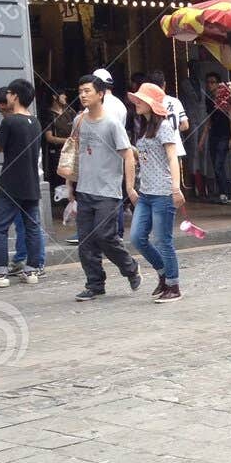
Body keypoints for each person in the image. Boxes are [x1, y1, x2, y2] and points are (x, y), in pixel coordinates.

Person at [67, 74, 140, 302]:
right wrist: (70, 186)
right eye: (80, 91)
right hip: (85, 189)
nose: (83, 95)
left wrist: (129, 187)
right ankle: (95, 283)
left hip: (108, 190)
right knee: (86, 241)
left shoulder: (112, 123)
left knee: (104, 236)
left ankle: (130, 267)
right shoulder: (78, 120)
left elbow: (128, 156)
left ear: (100, 94)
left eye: (87, 91)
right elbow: (73, 154)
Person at [0, 78, 45, 288]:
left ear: (14, 96)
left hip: (11, 183)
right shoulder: (35, 121)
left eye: (9, 93)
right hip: (31, 182)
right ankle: (32, 270)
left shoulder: (11, 121)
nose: (6, 96)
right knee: (32, 227)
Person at [126, 81, 185, 303]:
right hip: (146, 192)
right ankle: (163, 274)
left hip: (162, 192)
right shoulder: (143, 127)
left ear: (151, 103)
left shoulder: (164, 127)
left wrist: (176, 188)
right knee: (137, 238)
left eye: (141, 100)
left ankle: (173, 285)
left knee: (163, 240)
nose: (137, 103)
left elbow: (173, 157)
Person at [200, 72, 231, 202]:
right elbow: (209, 119)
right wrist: (202, 138)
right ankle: (222, 192)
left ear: (219, 84)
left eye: (213, 82)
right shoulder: (208, 99)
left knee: (219, 164)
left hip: (225, 134)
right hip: (214, 134)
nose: (210, 85)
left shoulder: (226, 98)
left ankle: (226, 193)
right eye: (208, 82)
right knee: (215, 165)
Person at [44, 89, 74, 200]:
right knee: (59, 180)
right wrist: (68, 141)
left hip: (71, 152)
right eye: (63, 94)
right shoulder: (49, 115)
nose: (65, 96)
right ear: (54, 96)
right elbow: (49, 137)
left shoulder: (69, 112)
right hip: (57, 153)